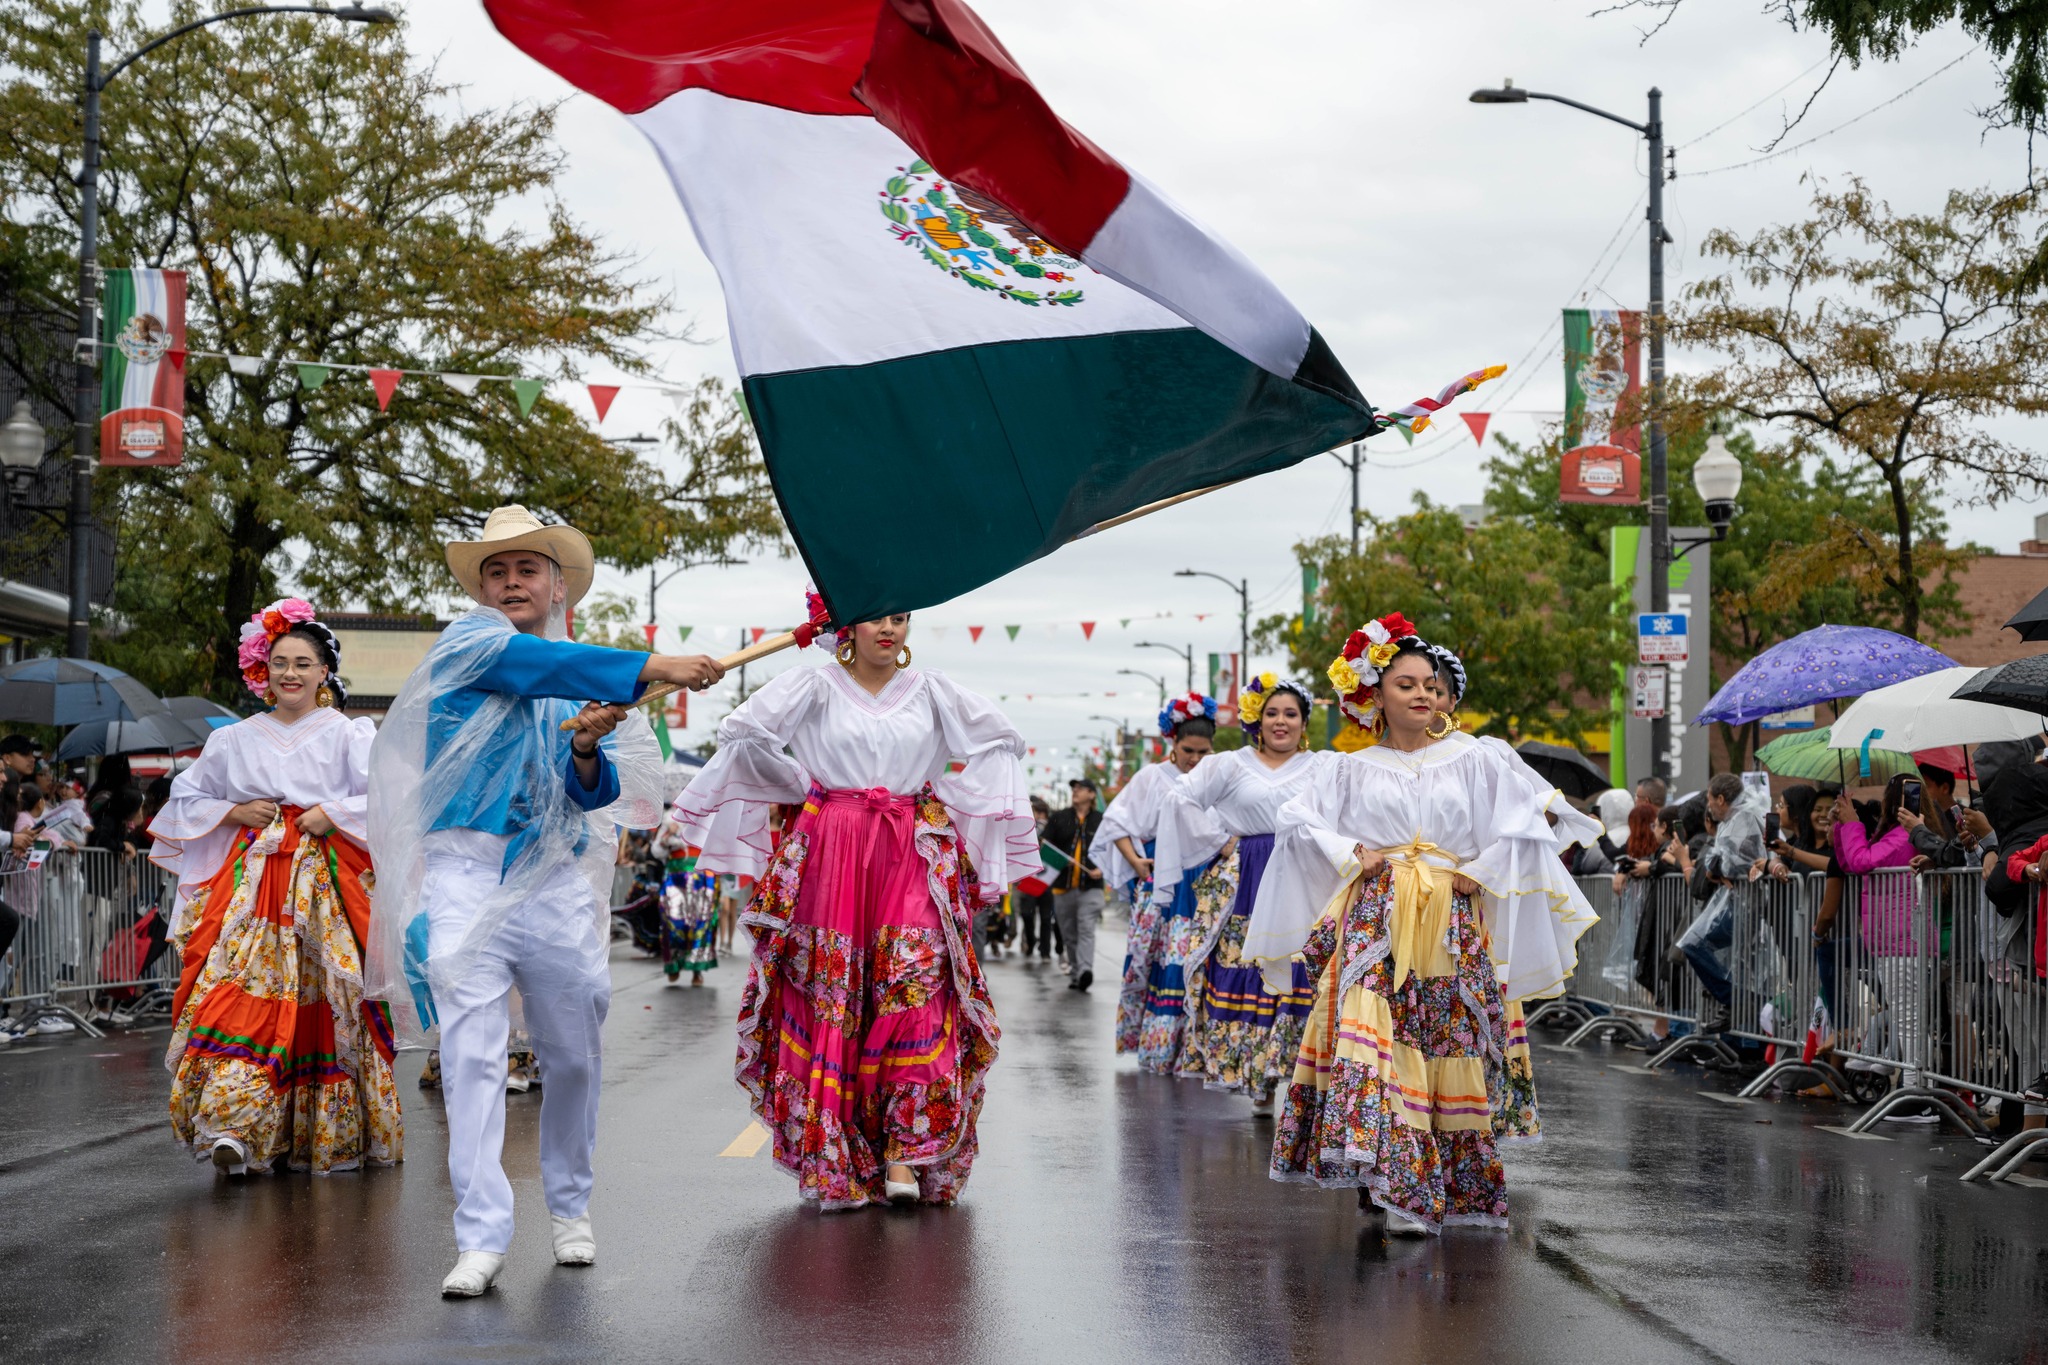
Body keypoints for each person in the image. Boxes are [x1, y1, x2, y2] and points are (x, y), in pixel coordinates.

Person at [363, 506, 720, 1297]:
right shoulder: (472, 643)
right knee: (471, 1056)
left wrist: (587, 746)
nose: (512, 581)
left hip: (552, 882)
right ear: (482, 588)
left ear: (558, 584)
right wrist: (659, 665)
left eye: (527, 569)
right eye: (498, 570)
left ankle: (569, 1207)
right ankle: (481, 1234)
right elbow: (535, 669)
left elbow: (596, 794)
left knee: (572, 1051)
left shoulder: (569, 678)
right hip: (466, 874)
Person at [673, 595, 1035, 1211]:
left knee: (914, 985)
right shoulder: (813, 685)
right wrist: (804, 787)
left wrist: (939, 792)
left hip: (909, 846)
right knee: (833, 996)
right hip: (832, 848)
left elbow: (1001, 741)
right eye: (876, 614)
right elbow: (746, 734)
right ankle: (834, 1157)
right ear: (847, 625)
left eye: (900, 616)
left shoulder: (932, 690)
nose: (890, 627)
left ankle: (902, 1152)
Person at [1247, 611, 1600, 1235]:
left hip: (1450, 918)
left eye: (1429, 685)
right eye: (1406, 684)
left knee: (1440, 1036)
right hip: (1375, 917)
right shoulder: (1347, 767)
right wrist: (1350, 852)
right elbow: (1297, 818)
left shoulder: (1477, 758)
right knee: (1370, 1030)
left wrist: (1485, 868)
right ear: (1376, 694)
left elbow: (1530, 820)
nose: (1421, 694)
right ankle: (1394, 1179)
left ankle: (1428, 1180)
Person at [147, 599, 397, 1178]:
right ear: (262, 669)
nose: (291, 673)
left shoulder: (348, 735)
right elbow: (187, 798)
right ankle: (232, 1124)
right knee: (230, 992)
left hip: (323, 891)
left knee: (325, 1003)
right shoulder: (234, 740)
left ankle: (303, 1133)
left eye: (304, 663)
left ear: (324, 672)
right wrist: (234, 810)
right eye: (280, 661)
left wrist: (332, 812)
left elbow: (390, 796)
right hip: (253, 888)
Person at [1154, 675, 1323, 1107]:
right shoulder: (1230, 764)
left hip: (1301, 877)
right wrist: (1219, 840)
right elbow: (1179, 798)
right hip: (1245, 876)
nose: (1280, 722)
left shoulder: (1324, 767)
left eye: (1290, 714)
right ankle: (1256, 1080)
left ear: (1304, 723)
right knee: (1245, 965)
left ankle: (1294, 1076)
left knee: (1299, 966)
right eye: (1271, 713)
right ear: (1257, 720)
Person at [1101, 696, 1220, 1060]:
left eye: (1203, 751)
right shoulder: (1152, 777)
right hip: (1160, 879)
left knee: (1200, 959)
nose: (1195, 759)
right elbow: (1116, 822)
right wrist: (1136, 861)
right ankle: (1158, 1045)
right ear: (1173, 743)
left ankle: (1195, 1049)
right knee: (1156, 956)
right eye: (1188, 750)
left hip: (1204, 881)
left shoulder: (1218, 777)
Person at [1044, 777, 1107, 991]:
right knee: (1069, 933)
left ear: (1091, 794)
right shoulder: (1059, 818)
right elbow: (1045, 845)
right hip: (1063, 886)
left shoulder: (1102, 820)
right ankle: (1076, 971)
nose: (1075, 791)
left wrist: (1104, 868)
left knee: (1087, 928)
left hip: (1091, 888)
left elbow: (1113, 849)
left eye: (1080, 788)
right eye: (1074, 789)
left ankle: (1085, 971)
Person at [1014, 795, 1060, 960]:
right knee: (1027, 914)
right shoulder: (1027, 828)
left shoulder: (1053, 830)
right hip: (1030, 877)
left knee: (1046, 917)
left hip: (1047, 877)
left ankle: (1045, 950)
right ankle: (1031, 940)